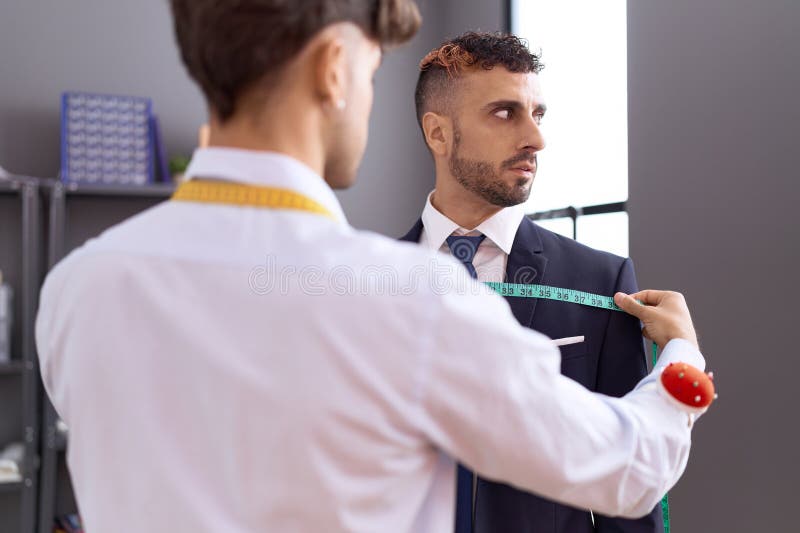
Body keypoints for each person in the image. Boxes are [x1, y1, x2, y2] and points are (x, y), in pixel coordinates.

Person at [35, 2, 709, 532]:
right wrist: (680, 358)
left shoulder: (77, 287)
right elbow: (632, 463)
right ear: (333, 68)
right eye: (372, 70)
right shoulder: (408, 298)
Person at [401, 32, 665, 532]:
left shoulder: (601, 282)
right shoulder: (369, 283)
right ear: (438, 134)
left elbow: (631, 485)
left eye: (537, 114)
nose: (535, 138)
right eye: (505, 113)